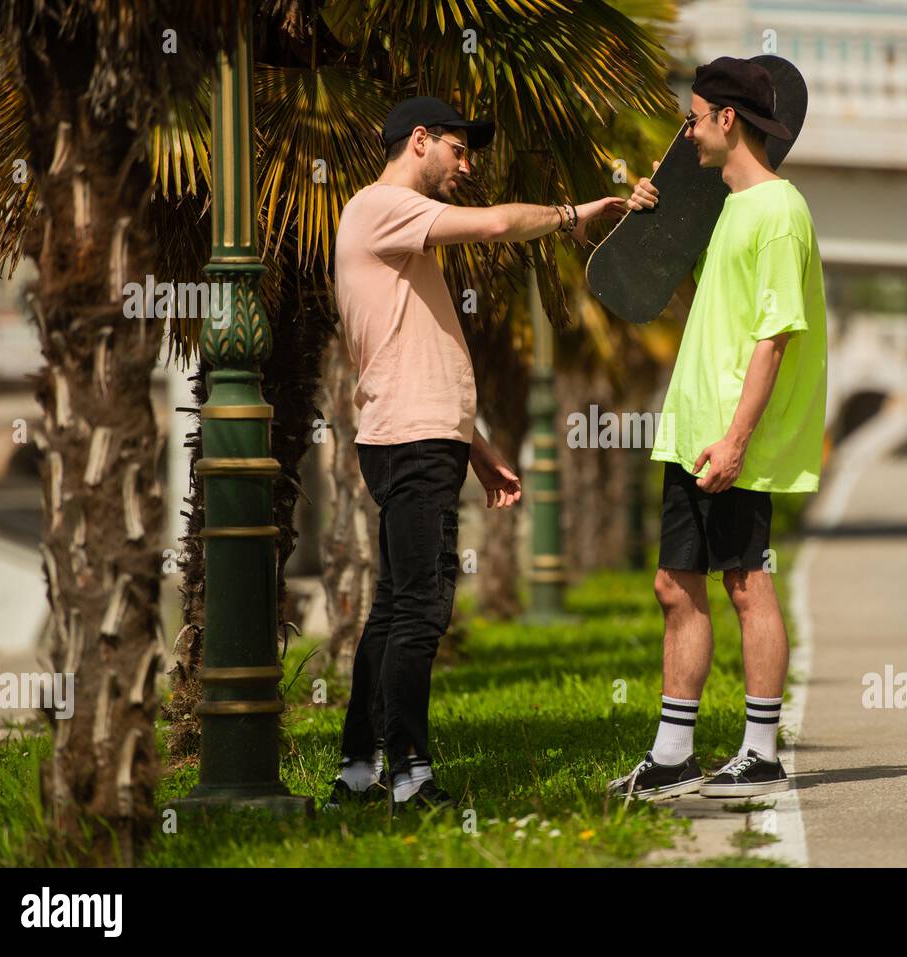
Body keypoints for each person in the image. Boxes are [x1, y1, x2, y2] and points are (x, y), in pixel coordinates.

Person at [328, 96, 626, 811]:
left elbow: (419, 353)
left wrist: (476, 446)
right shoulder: (382, 206)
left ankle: (359, 770)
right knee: (422, 609)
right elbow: (495, 225)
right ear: (419, 140)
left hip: (418, 435)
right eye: (459, 151)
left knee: (396, 605)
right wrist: (573, 216)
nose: (468, 166)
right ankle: (411, 774)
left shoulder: (396, 233)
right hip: (412, 441)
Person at [607, 57, 827, 800]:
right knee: (676, 584)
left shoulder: (778, 212)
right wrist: (646, 214)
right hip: (690, 426)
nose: (687, 131)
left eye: (694, 117)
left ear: (727, 120)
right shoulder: (728, 209)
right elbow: (688, 300)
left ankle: (760, 752)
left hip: (734, 438)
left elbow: (773, 336)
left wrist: (737, 438)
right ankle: (674, 754)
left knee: (745, 580)